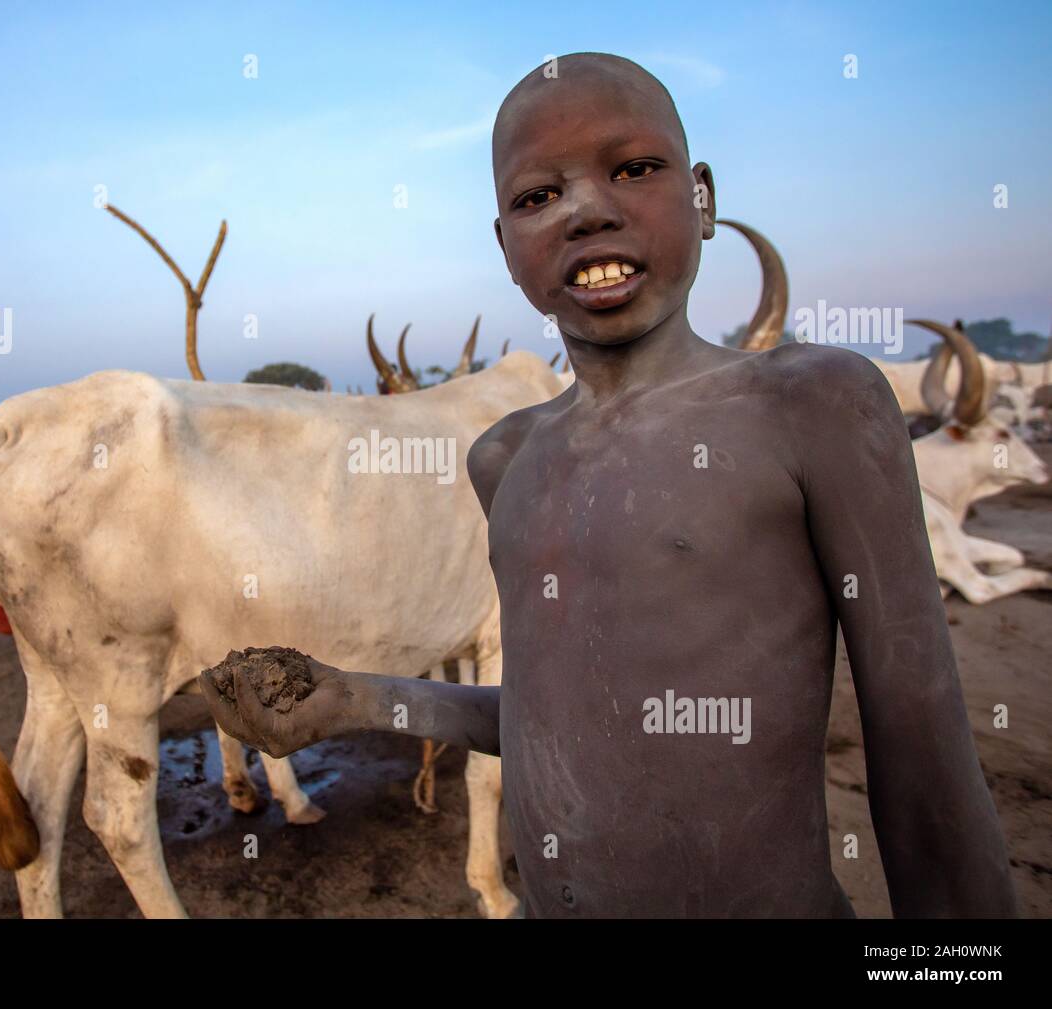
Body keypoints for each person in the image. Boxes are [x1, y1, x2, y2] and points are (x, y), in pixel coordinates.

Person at [201, 53, 1017, 918]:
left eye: (633, 169)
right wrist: (362, 697)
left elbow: (923, 755)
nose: (586, 209)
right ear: (505, 245)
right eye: (536, 197)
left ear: (701, 196)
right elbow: (554, 720)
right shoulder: (505, 458)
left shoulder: (814, 403)